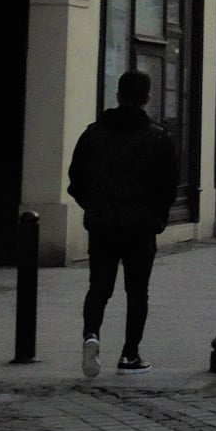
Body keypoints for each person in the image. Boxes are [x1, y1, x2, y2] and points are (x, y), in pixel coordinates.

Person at [67, 69, 179, 378]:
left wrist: (93, 206)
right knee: (137, 291)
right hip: (140, 227)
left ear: (117, 96)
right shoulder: (158, 137)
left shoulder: (92, 134)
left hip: (102, 225)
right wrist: (157, 219)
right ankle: (130, 354)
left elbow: (75, 180)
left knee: (99, 288)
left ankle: (92, 334)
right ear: (148, 98)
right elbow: (169, 186)